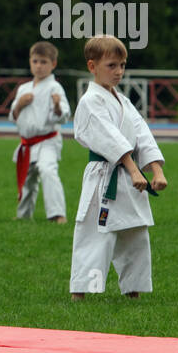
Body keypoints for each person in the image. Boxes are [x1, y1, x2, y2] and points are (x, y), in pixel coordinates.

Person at [69, 35, 168, 300]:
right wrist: (134, 170)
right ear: (92, 66)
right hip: (104, 176)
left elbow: (142, 135)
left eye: (122, 65)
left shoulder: (122, 101)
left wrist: (156, 170)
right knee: (95, 235)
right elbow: (109, 138)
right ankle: (80, 291)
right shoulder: (90, 101)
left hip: (129, 176)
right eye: (111, 65)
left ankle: (132, 291)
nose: (119, 71)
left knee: (135, 232)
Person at [10, 40, 71, 223]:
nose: (39, 66)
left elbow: (63, 115)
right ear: (30, 62)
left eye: (43, 62)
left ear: (53, 64)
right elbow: (13, 116)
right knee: (28, 180)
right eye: (35, 61)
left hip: (47, 140)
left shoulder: (55, 88)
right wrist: (19, 104)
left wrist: (57, 106)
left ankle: (57, 214)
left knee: (47, 170)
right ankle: (24, 215)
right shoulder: (24, 88)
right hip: (27, 142)